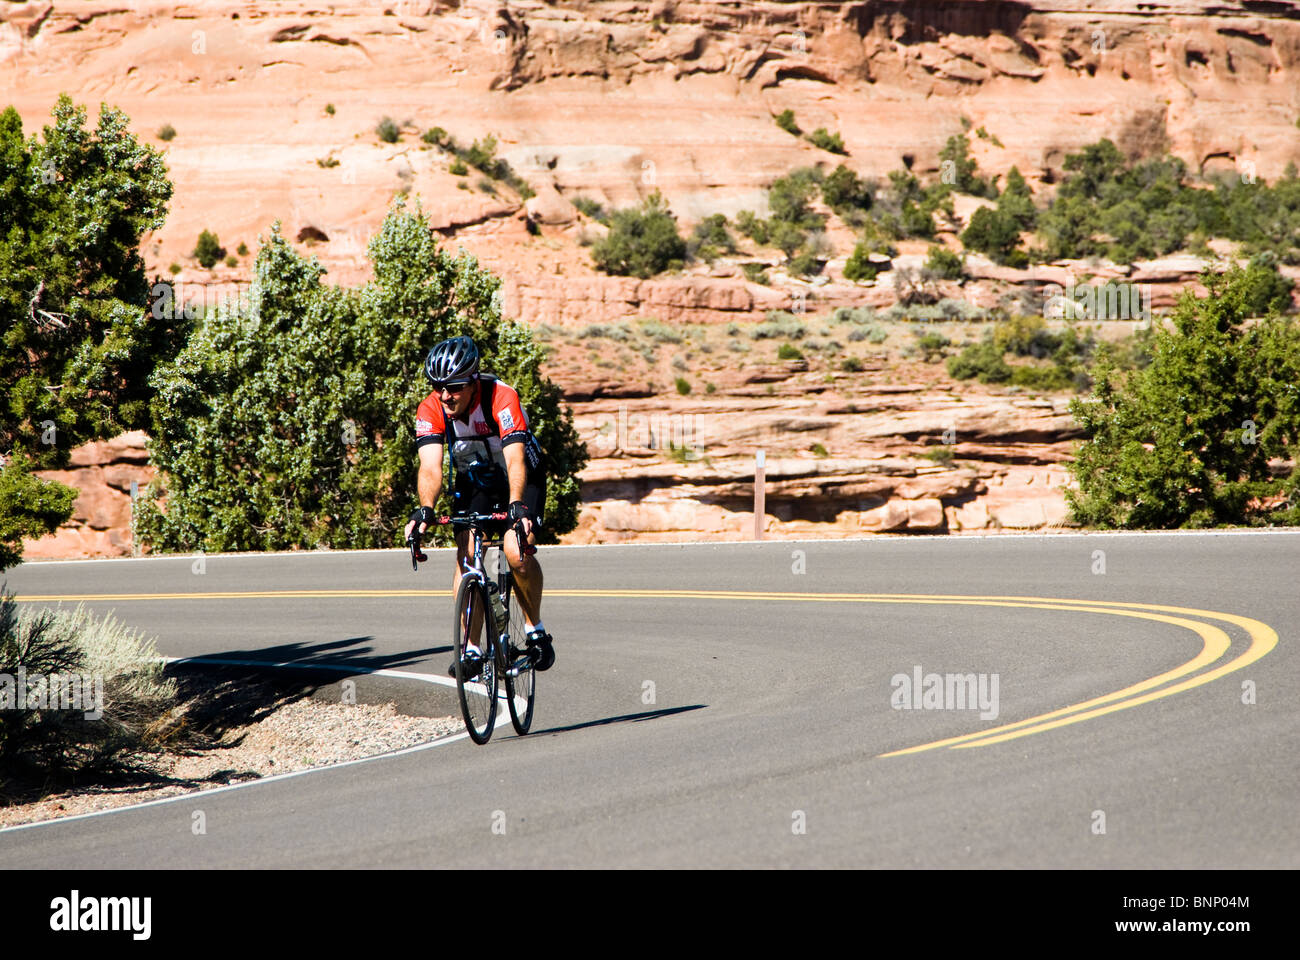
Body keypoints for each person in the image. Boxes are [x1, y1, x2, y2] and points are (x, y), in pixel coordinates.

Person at [402, 335, 555, 675]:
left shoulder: (502, 397)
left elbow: (516, 460)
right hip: (477, 478)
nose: (445, 396)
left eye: (453, 387)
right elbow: (430, 467)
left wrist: (517, 508)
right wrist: (425, 509)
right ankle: (471, 648)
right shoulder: (431, 408)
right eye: (438, 387)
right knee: (466, 554)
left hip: (521, 476)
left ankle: (535, 630)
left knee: (516, 550)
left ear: (473, 381)